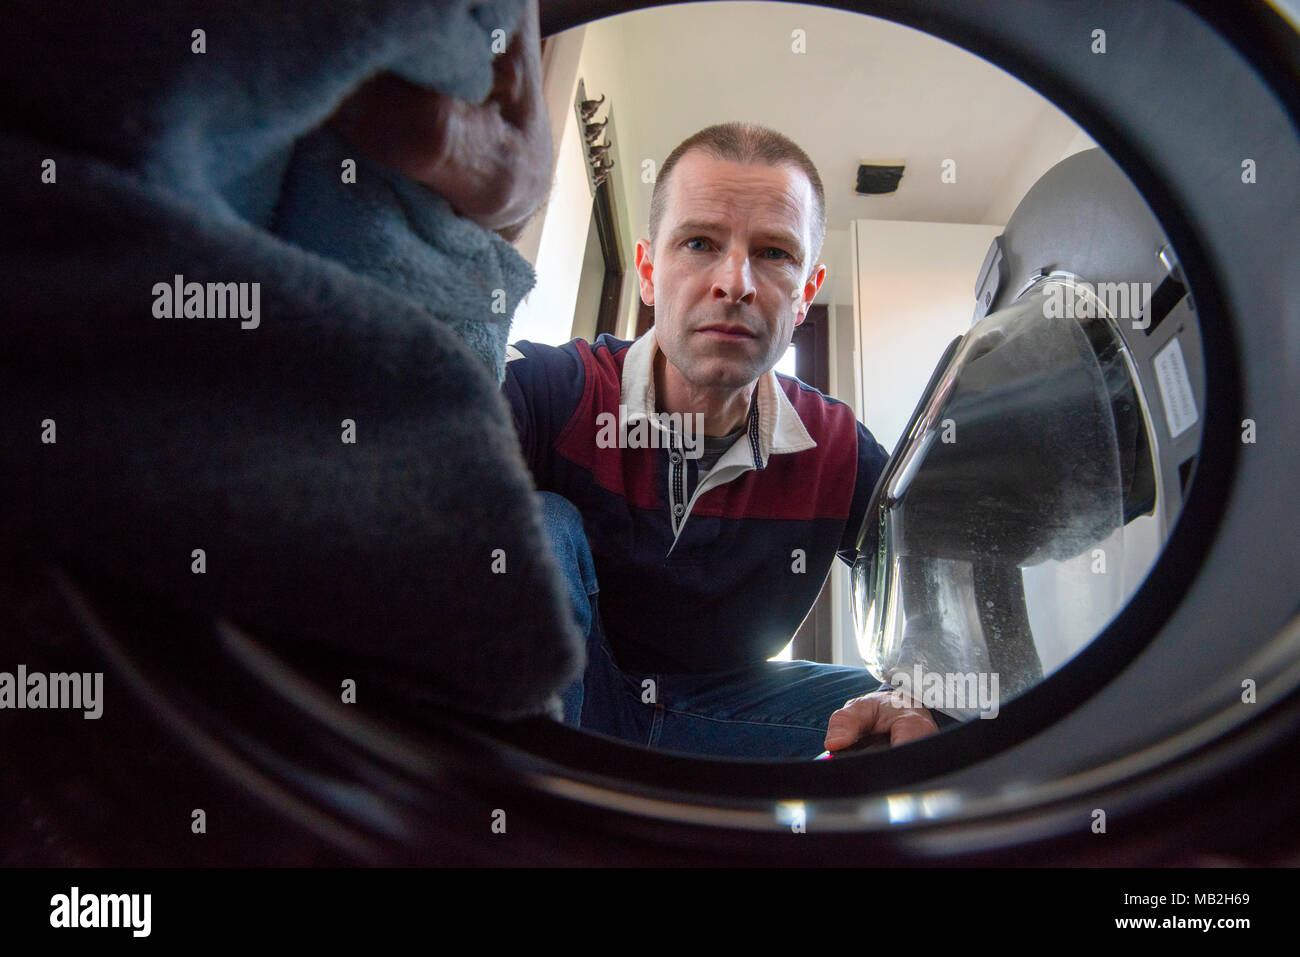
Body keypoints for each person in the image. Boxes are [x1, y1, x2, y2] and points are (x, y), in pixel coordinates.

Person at [503, 122, 938, 758]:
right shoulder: (555, 389)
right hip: (572, 702)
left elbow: (937, 560)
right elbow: (415, 463)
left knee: (926, 715)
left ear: (806, 296)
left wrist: (918, 686)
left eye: (774, 254)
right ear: (649, 274)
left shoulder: (837, 445)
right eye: (700, 242)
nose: (736, 282)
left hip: (729, 714)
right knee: (538, 522)